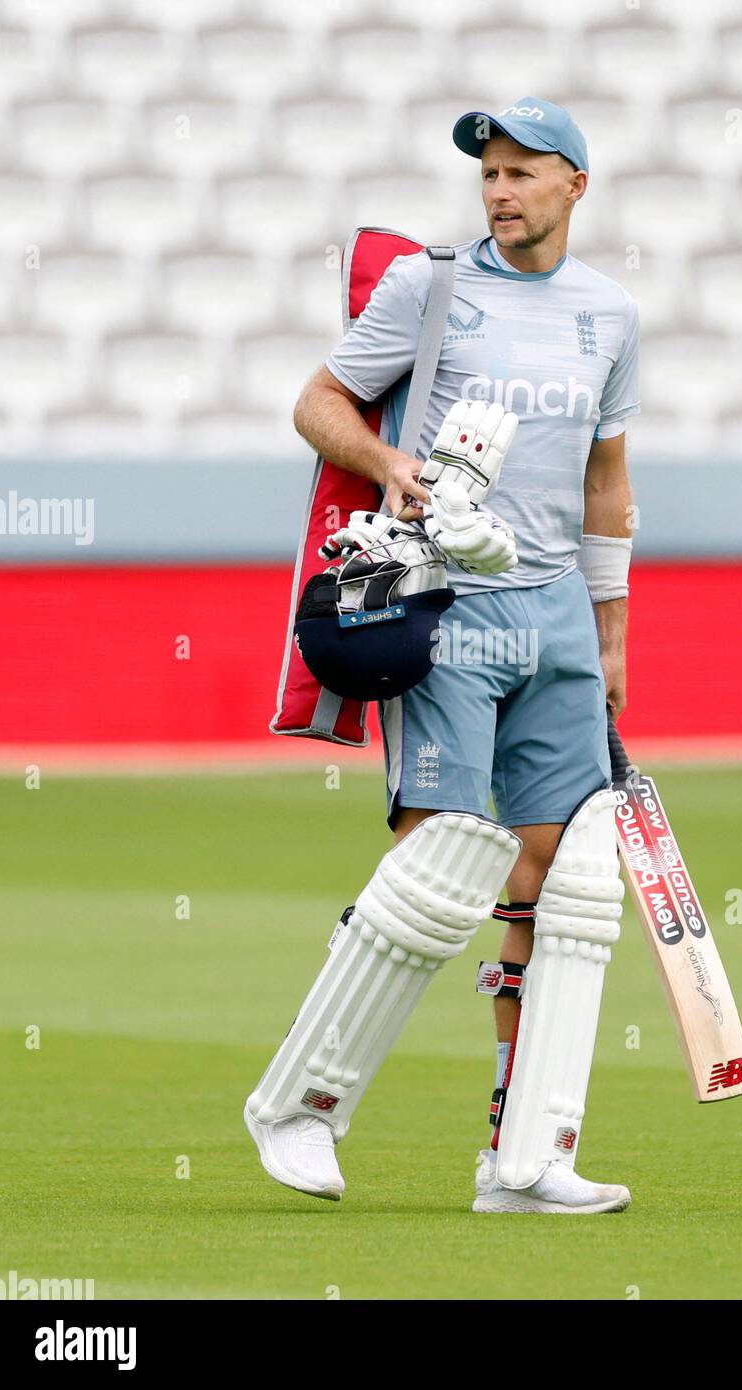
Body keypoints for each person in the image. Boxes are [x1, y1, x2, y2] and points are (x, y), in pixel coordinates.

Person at [245, 97, 640, 1214]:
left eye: (522, 171)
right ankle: (300, 1108)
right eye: (488, 173)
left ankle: (523, 1157)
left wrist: (609, 636)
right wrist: (386, 460)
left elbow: (605, 484)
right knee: (441, 867)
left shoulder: (609, 314)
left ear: (573, 184)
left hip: (556, 608)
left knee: (558, 885)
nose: (499, 189)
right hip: (444, 602)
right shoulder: (428, 286)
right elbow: (316, 401)